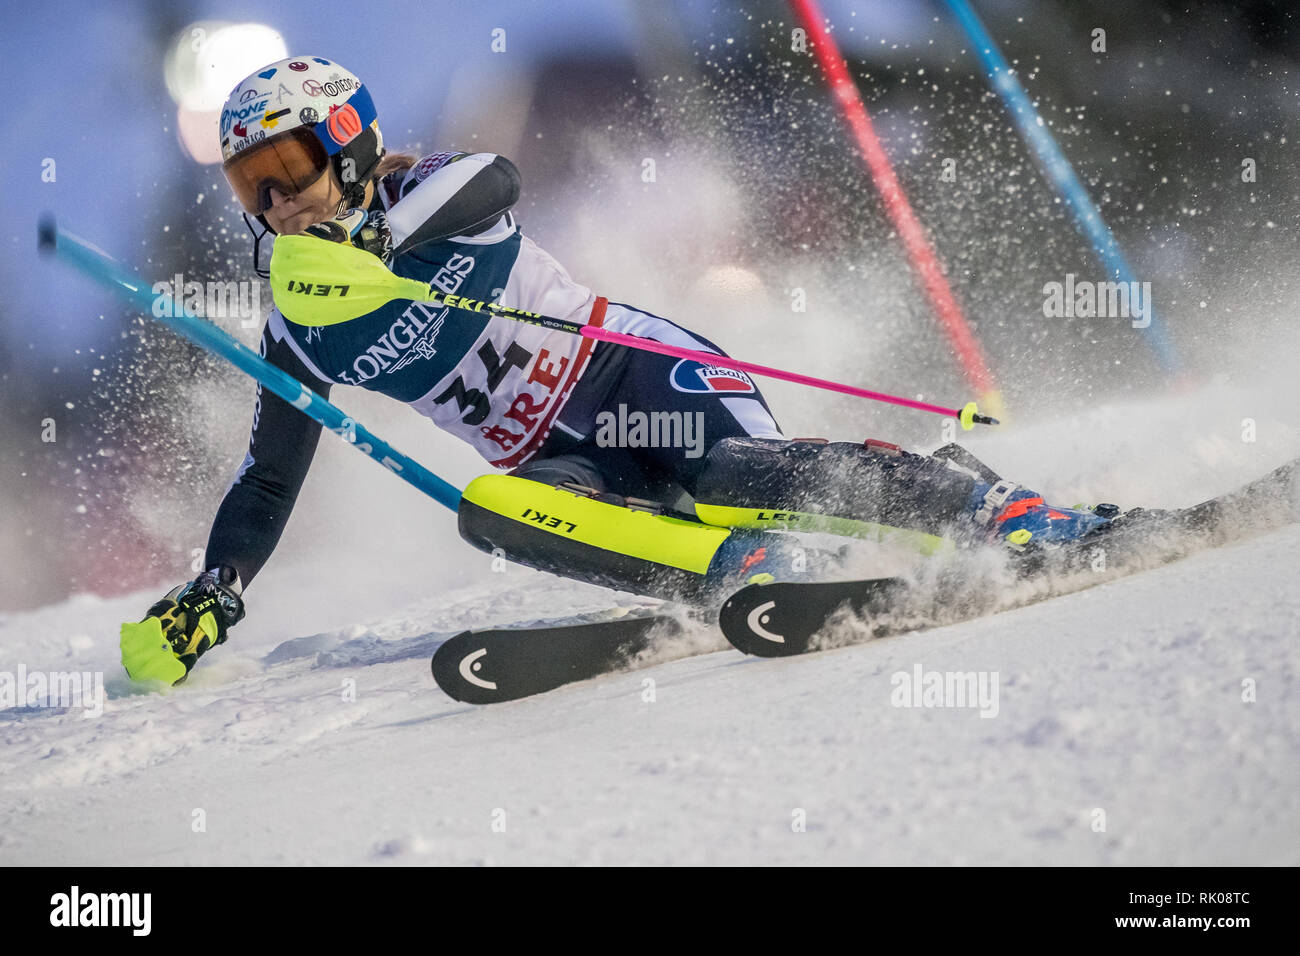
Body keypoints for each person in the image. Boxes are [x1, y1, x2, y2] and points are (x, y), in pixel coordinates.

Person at [120, 56, 1116, 684]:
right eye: (252, 187)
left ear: (346, 148)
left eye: (285, 171)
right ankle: (738, 565)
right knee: (495, 507)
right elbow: (268, 473)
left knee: (728, 477)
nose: (275, 205)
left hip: (640, 380)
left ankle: (1002, 513)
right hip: (569, 462)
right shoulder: (298, 324)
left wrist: (380, 254)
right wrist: (219, 583)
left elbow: (497, 182)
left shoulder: (424, 189)